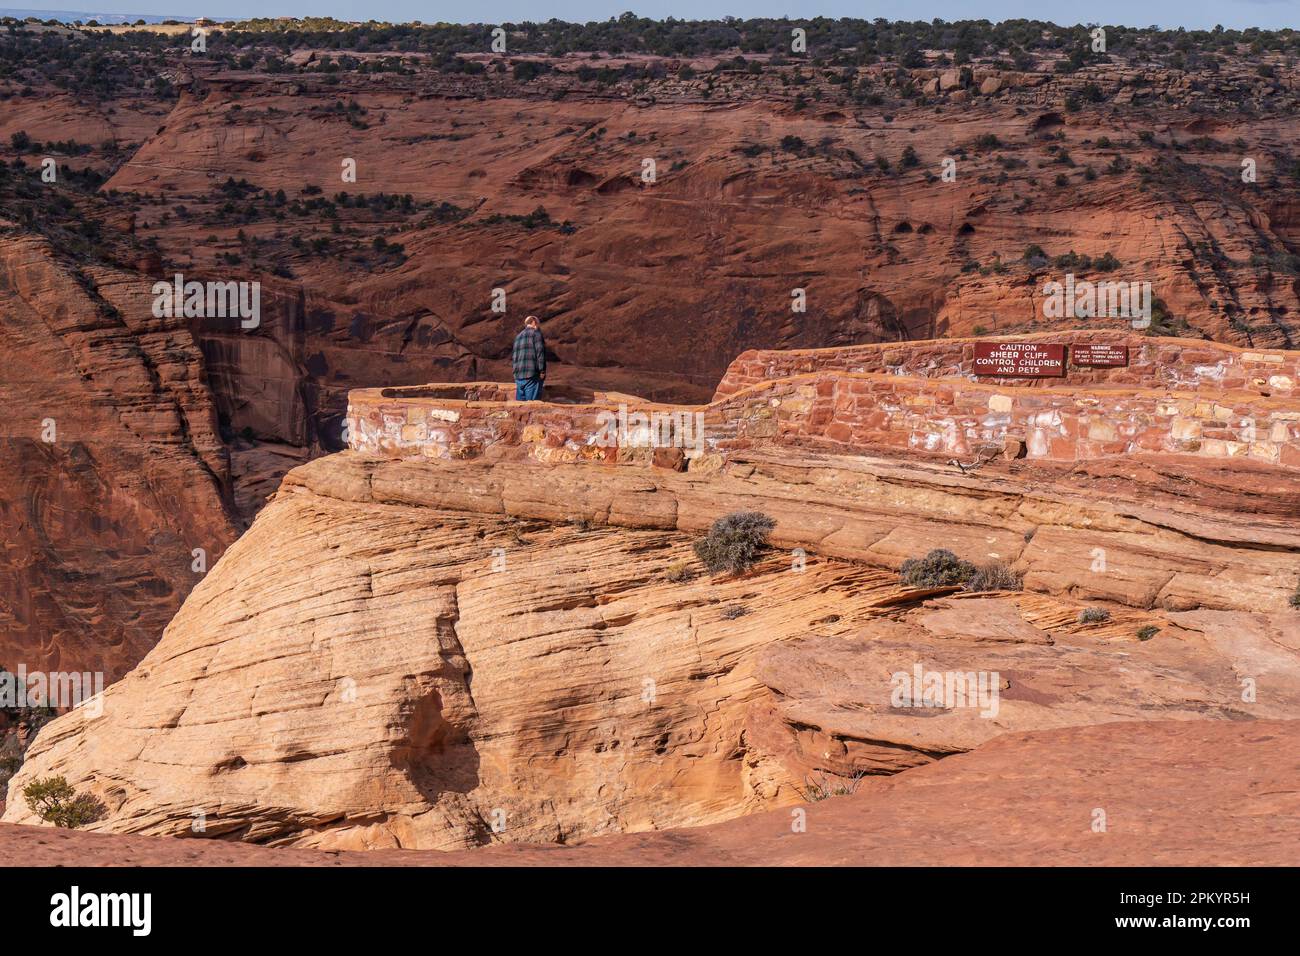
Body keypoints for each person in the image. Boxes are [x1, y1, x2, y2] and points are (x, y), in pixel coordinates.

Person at [511, 315, 547, 401]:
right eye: (538, 324)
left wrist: (515, 372)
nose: (538, 326)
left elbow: (514, 356)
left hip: (518, 375)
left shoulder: (518, 337)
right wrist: (542, 371)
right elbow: (540, 353)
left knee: (519, 405)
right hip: (531, 374)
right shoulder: (536, 334)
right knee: (531, 404)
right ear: (534, 322)